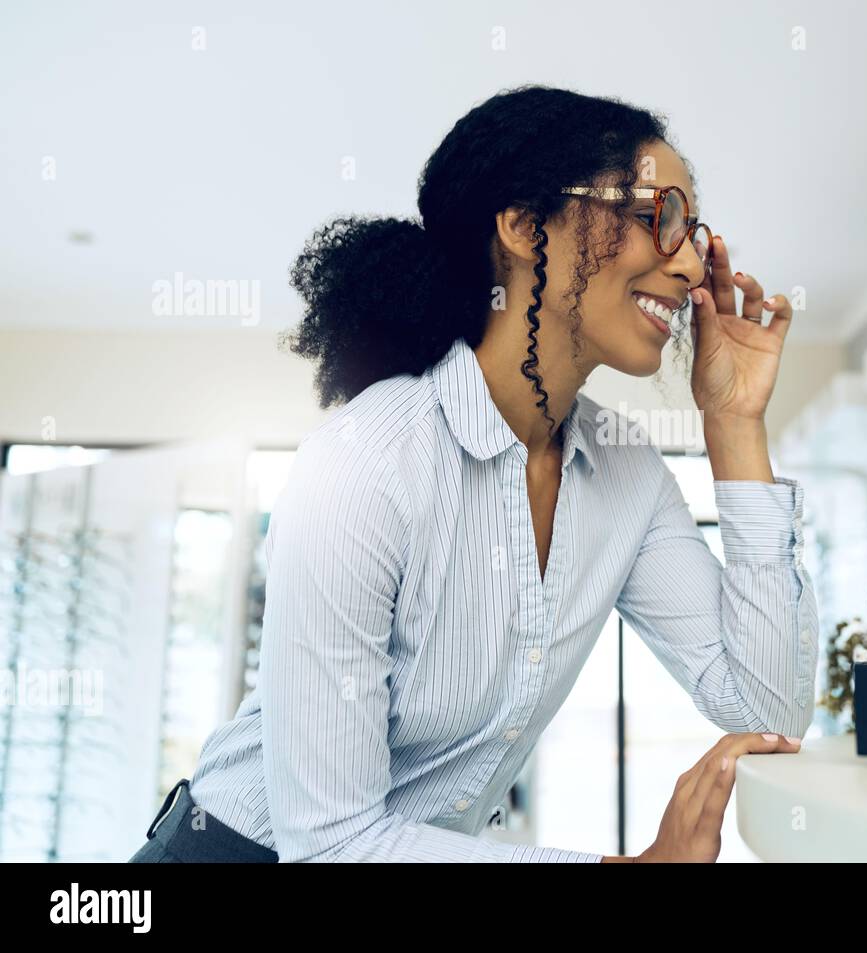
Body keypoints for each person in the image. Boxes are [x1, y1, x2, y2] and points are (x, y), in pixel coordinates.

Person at [129, 85, 817, 863]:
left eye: (692, 230)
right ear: (525, 227)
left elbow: (768, 711)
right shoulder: (366, 465)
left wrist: (733, 423)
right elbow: (329, 844)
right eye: (656, 216)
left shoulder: (627, 476)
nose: (691, 264)